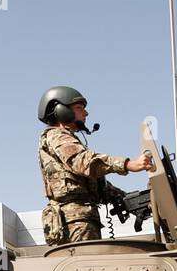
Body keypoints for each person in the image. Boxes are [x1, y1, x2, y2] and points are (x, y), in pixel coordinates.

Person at [37, 85, 153, 245]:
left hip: (81, 217)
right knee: (85, 267)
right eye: (79, 108)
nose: (86, 113)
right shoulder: (57, 136)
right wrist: (127, 164)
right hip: (74, 221)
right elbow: (84, 162)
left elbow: (98, 185)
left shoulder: (65, 139)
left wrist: (134, 200)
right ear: (60, 110)